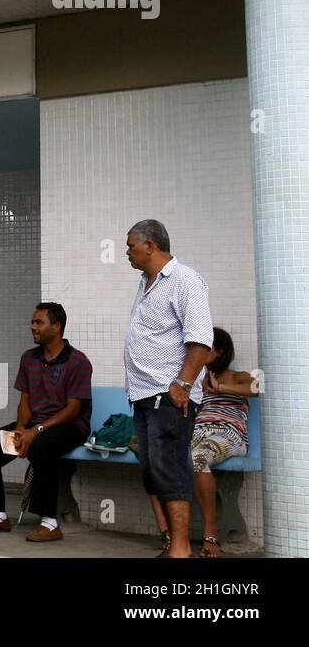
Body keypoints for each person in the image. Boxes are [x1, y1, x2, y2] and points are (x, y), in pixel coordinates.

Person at [123, 219, 213, 559]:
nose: (126, 251)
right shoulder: (147, 282)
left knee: (170, 466)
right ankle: (172, 540)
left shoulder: (185, 280)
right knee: (151, 469)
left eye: (130, 245)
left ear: (151, 245)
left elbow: (201, 339)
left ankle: (180, 548)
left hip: (169, 393)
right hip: (144, 394)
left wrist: (184, 384)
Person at [0, 303, 92, 542]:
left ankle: (49, 523)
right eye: (33, 322)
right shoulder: (29, 358)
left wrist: (35, 431)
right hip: (33, 426)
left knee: (42, 446)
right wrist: (20, 430)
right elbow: (24, 401)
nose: (32, 327)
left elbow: (72, 410)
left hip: (70, 427)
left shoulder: (78, 361)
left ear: (56, 327)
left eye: (39, 323)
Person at [148, 327, 258, 558]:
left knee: (198, 456)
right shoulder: (194, 380)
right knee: (156, 457)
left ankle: (211, 533)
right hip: (197, 431)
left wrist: (220, 388)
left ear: (218, 351)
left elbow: (256, 388)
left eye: (204, 348)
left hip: (227, 433)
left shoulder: (235, 376)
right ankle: (170, 536)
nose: (195, 352)